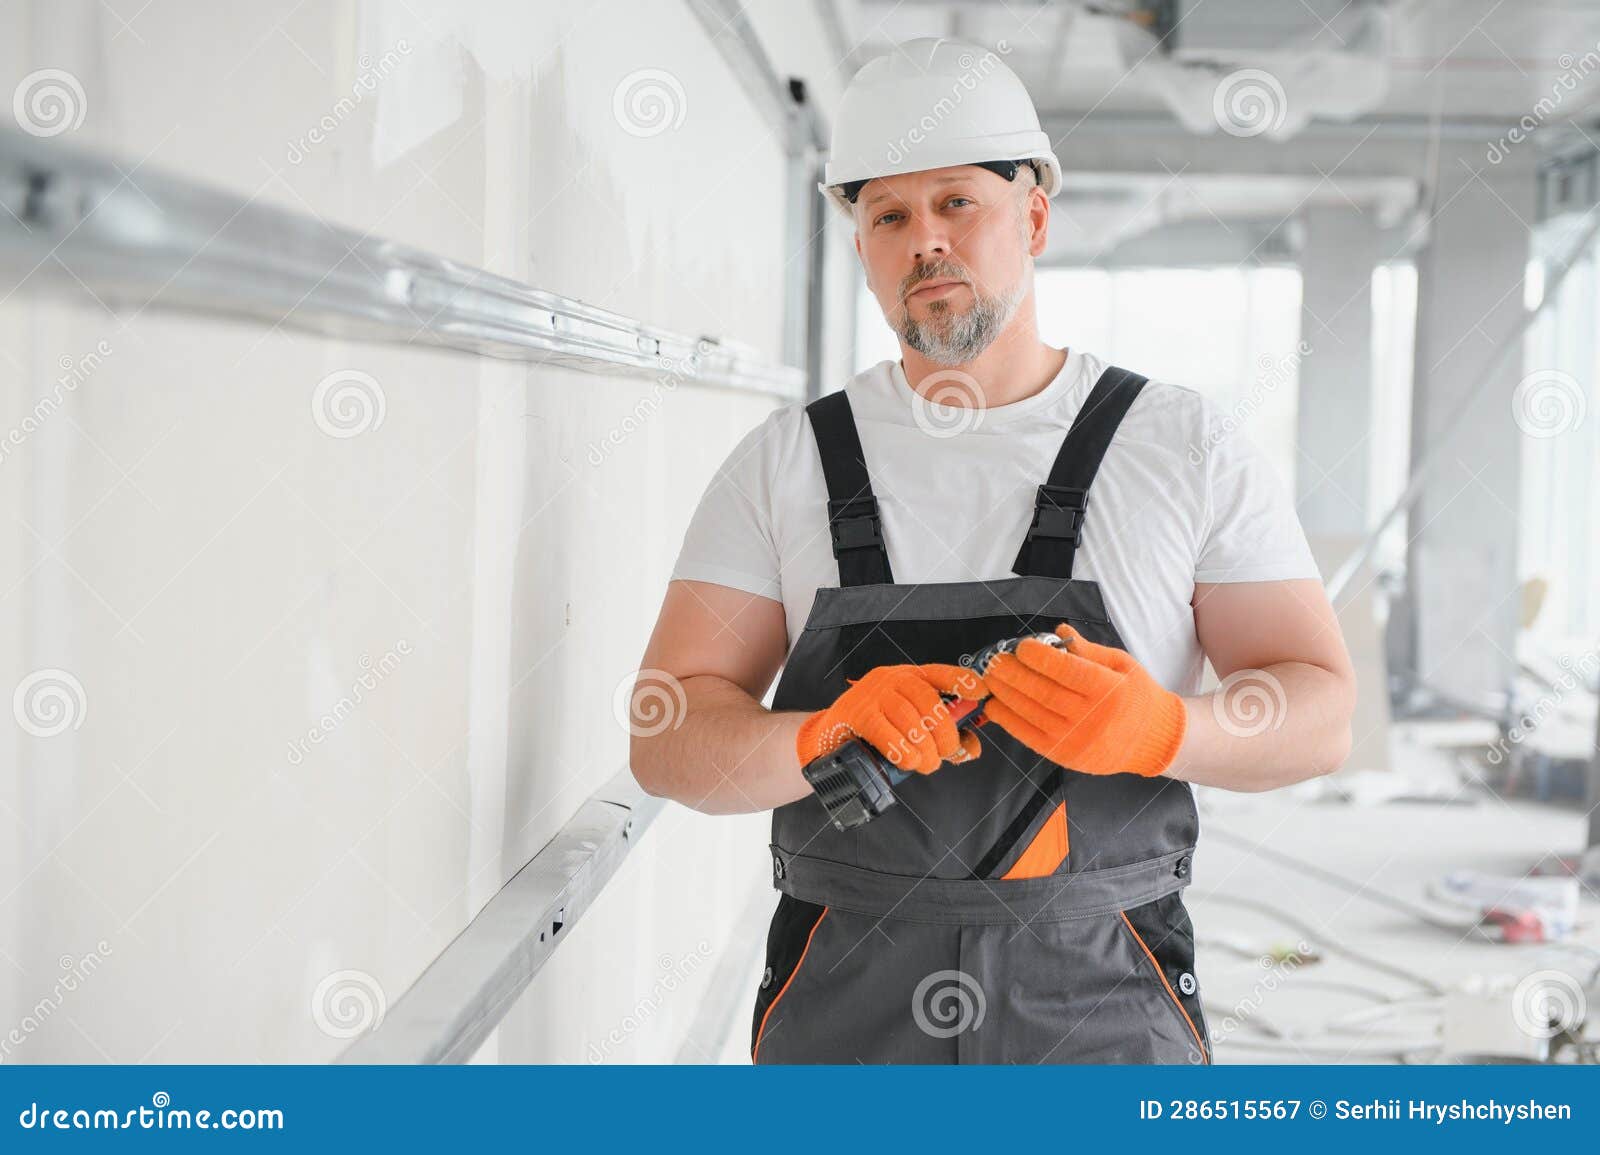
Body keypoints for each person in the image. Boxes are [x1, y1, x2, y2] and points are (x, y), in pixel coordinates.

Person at [630, 36, 1356, 1064]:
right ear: (863, 247)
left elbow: (1318, 710)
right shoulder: (782, 463)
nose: (925, 239)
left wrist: (1161, 731)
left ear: (1035, 217)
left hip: (1104, 1009)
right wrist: (816, 736)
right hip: (847, 1009)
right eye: (888, 215)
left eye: (956, 202)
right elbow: (666, 738)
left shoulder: (1182, 445)